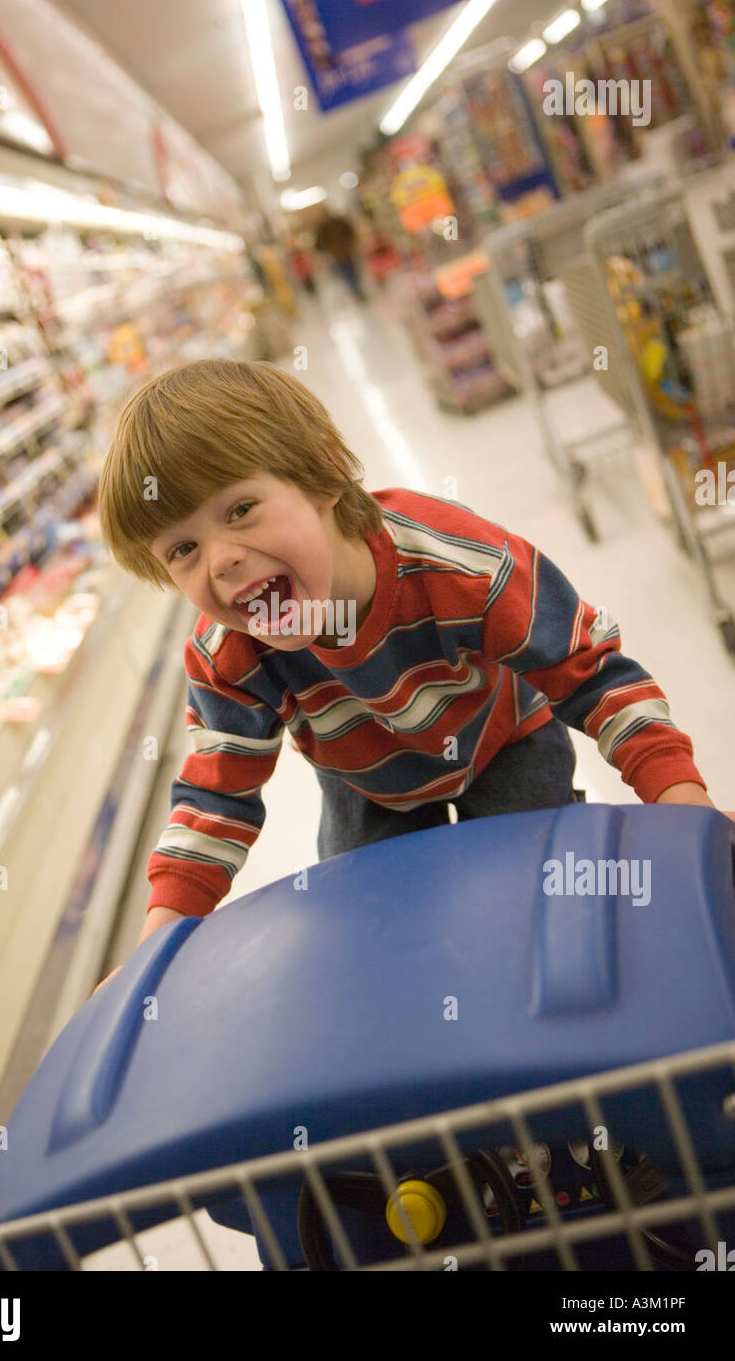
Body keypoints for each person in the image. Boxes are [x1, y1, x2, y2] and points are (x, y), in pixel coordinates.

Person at [93, 357, 732, 992]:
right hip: (366, 781)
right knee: (381, 945)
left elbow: (592, 673)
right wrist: (161, 940)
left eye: (240, 510)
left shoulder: (460, 563)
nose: (224, 560)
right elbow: (216, 797)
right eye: (183, 550)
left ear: (322, 476)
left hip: (501, 740)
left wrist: (682, 803)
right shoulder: (226, 654)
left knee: (546, 898)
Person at [314, 209, 367, 301]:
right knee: (351, 272)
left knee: (348, 272)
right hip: (343, 252)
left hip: (340, 254)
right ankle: (356, 289)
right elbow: (351, 232)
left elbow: (319, 244)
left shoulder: (324, 227)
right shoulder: (329, 225)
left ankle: (355, 289)